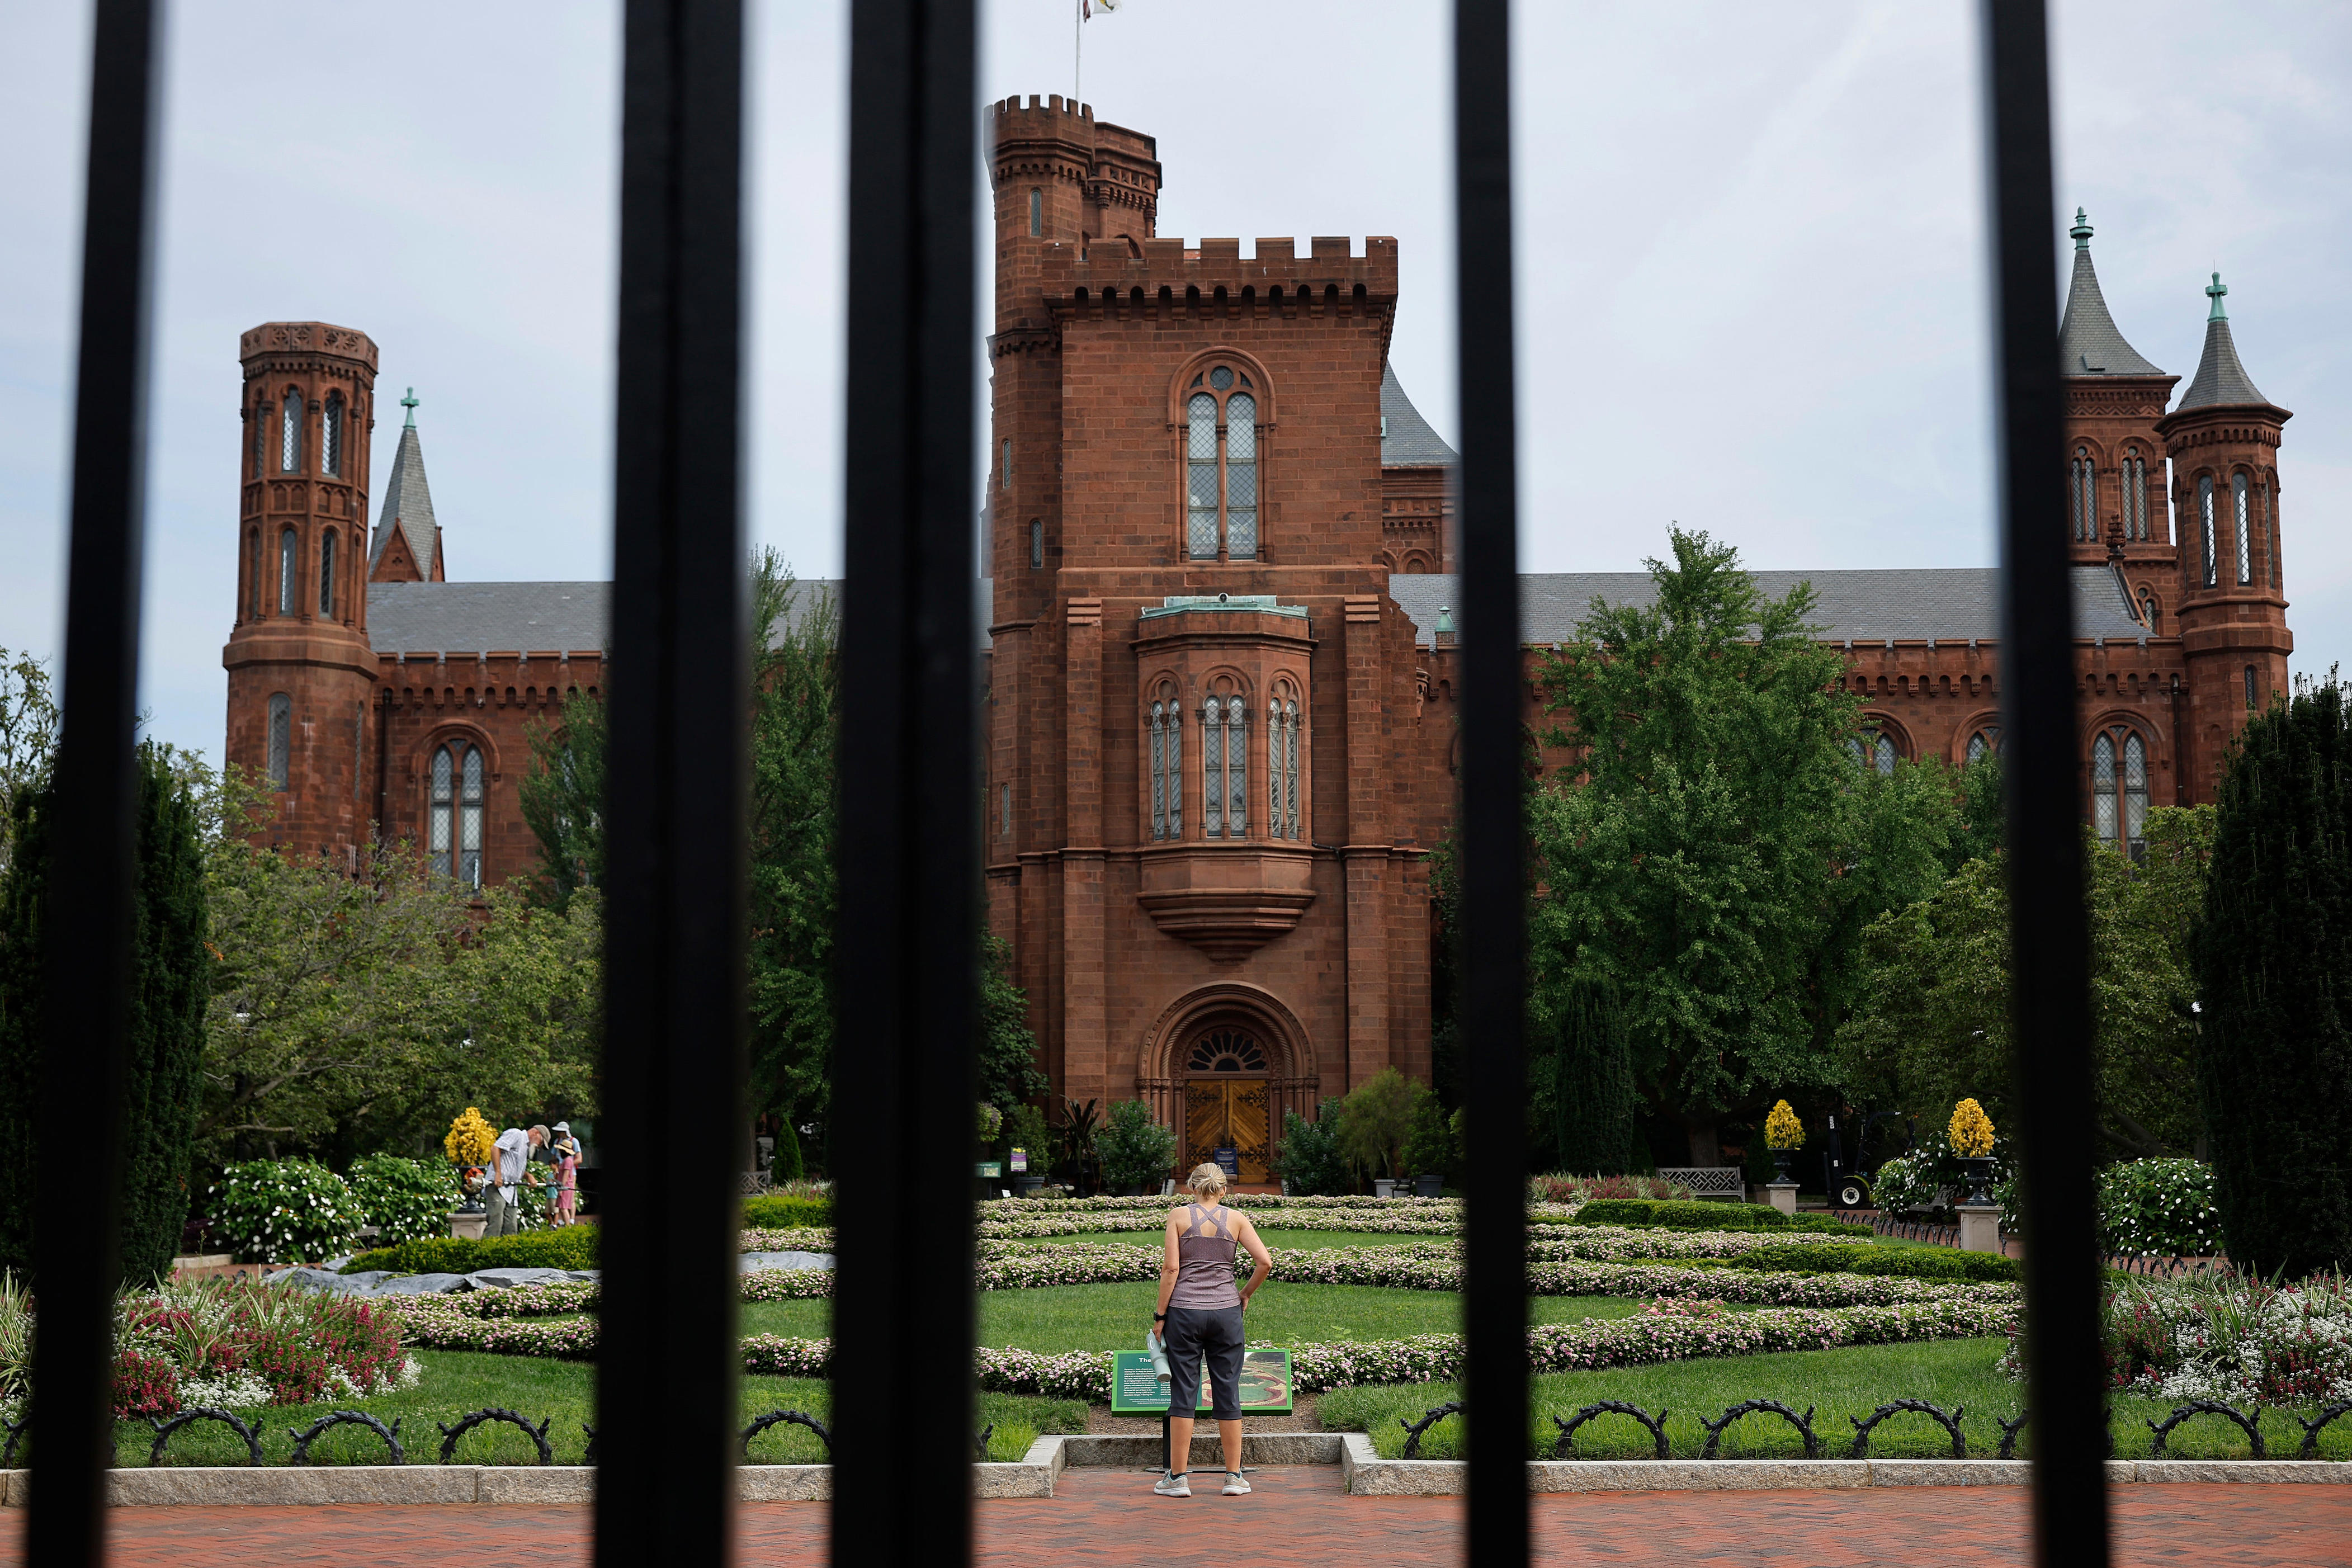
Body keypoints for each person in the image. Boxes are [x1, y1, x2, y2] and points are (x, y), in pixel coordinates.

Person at [1151, 1161, 1272, 1499]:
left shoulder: (1178, 1216)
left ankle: (1177, 1479)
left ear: (1191, 1188)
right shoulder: (1236, 1219)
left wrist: (1160, 1315)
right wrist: (1244, 1294)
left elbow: (1171, 1269)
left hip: (1185, 1313)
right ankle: (1234, 1477)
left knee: (1183, 1393)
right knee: (1228, 1390)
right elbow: (1265, 1262)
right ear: (1223, 1190)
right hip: (1226, 1314)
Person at [484, 1123, 547, 1237]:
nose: (540, 1145)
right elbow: (495, 1148)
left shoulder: (526, 1147)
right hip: (497, 1186)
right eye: (541, 1142)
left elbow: (514, 1169)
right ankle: (485, 1253)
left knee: (511, 1227)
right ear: (536, 1133)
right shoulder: (516, 1134)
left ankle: (507, 1253)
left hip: (511, 1190)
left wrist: (528, 1176)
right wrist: (498, 1173)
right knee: (496, 1224)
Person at [550, 1122, 582, 1226]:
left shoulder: (574, 1141)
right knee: (561, 1200)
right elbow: (554, 1158)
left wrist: (566, 1165)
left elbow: (579, 1159)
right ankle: (563, 1220)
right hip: (560, 1172)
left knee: (569, 1196)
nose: (558, 1133)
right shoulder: (557, 1141)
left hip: (569, 1173)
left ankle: (571, 1220)